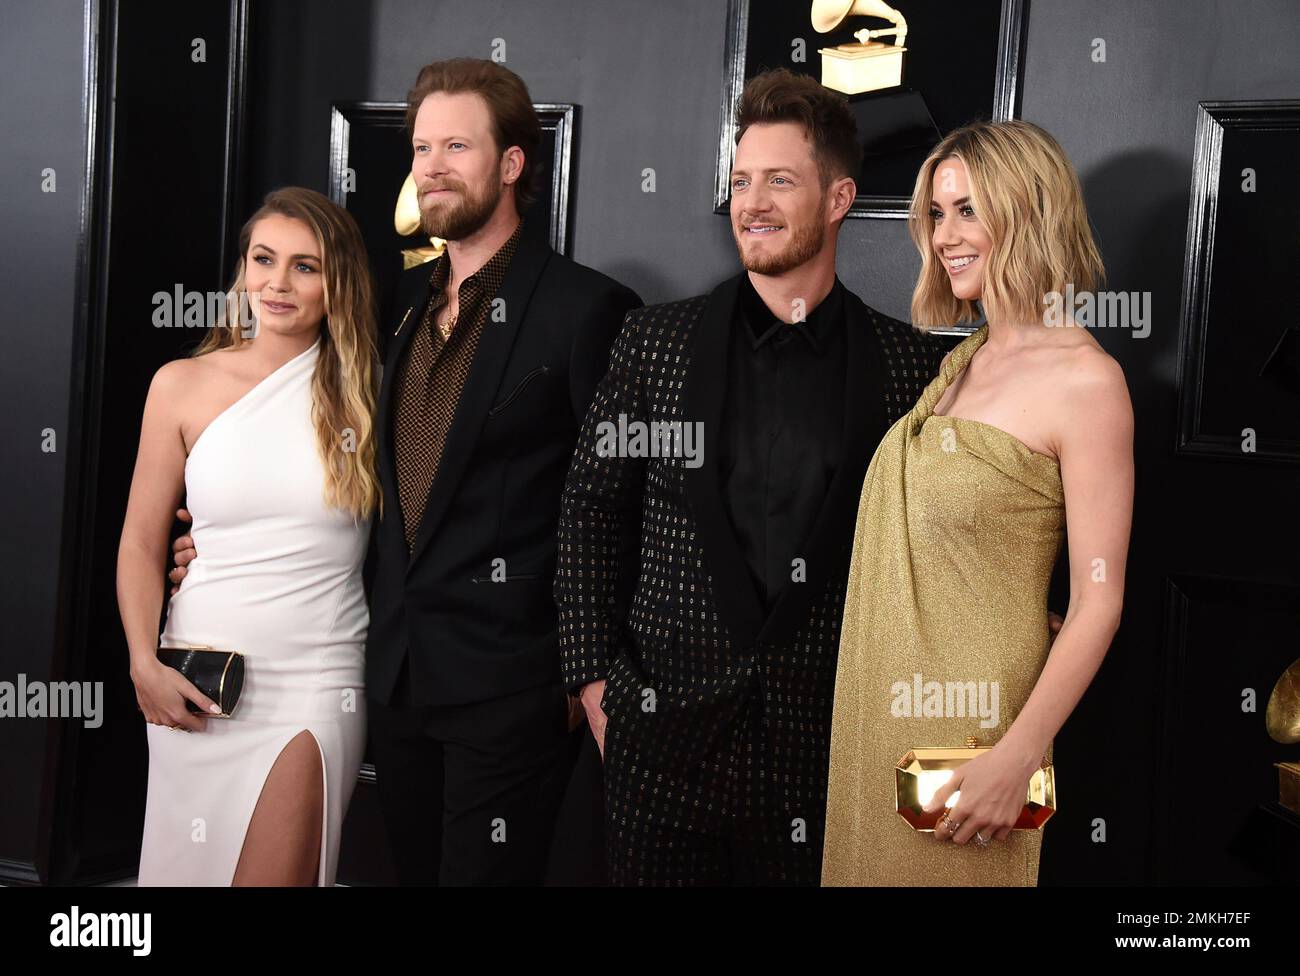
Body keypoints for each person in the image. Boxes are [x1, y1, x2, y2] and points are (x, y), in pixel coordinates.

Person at [173, 58, 640, 884]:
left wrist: (586, 673)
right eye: (422, 148)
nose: (431, 167)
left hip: (512, 686)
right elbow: (319, 455)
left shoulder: (584, 308)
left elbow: (615, 505)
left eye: (456, 146)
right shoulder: (395, 304)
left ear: (511, 163)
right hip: (388, 679)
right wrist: (228, 546)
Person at [556, 68, 947, 885]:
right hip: (659, 748)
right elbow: (592, 514)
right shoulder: (653, 344)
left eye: (779, 180)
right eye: (740, 181)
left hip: (824, 753)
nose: (752, 202)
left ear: (838, 199)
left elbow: (940, 542)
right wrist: (599, 693)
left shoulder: (910, 367)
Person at [820, 120, 1134, 886]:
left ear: (1029, 211)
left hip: (977, 733)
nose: (946, 234)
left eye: (968, 210)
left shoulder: (1087, 383)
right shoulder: (964, 358)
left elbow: (1099, 598)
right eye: (937, 212)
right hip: (876, 712)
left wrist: (1019, 753)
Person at [118, 187, 381, 885]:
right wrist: (144, 661)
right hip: (196, 675)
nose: (277, 282)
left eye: (305, 266)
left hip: (314, 680)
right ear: (242, 269)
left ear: (337, 282)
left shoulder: (371, 394)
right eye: (263, 259)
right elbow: (143, 542)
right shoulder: (180, 385)